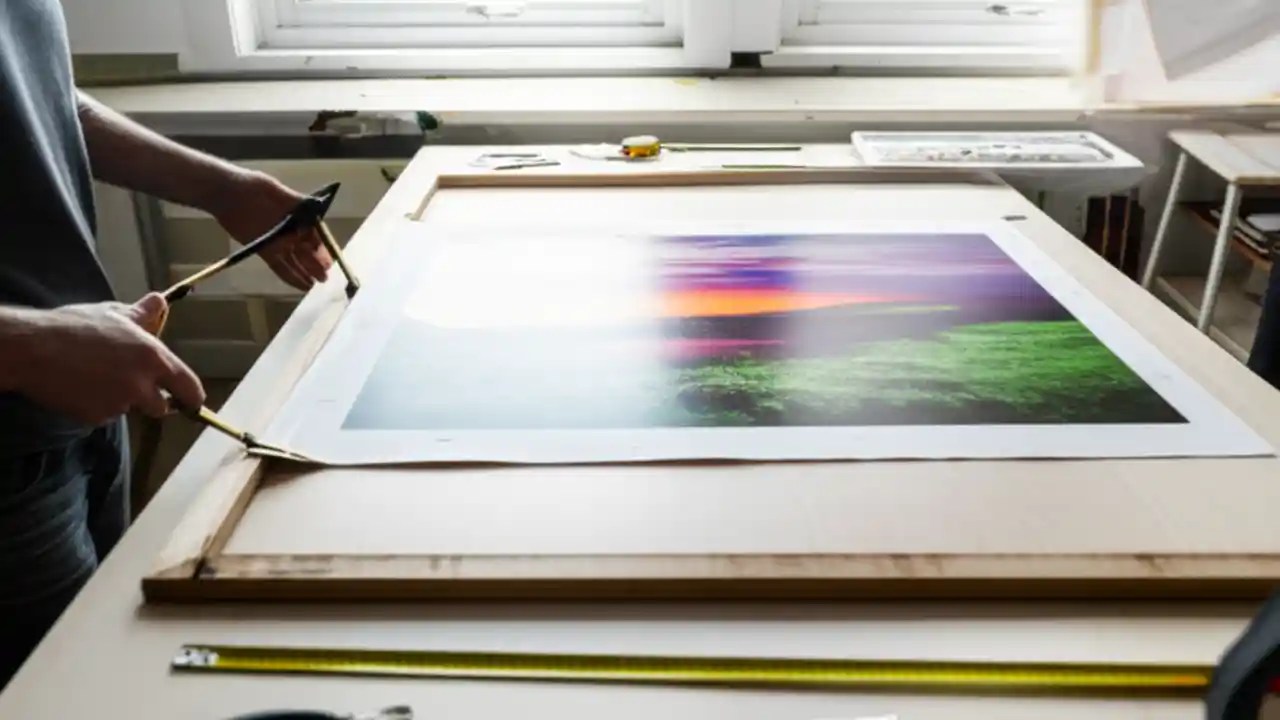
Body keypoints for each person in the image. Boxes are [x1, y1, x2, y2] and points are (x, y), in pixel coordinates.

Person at [0, 0, 334, 689]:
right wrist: (28, 345)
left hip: (80, 400)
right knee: (59, 697)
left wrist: (220, 187)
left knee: (107, 669)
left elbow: (34, 92)